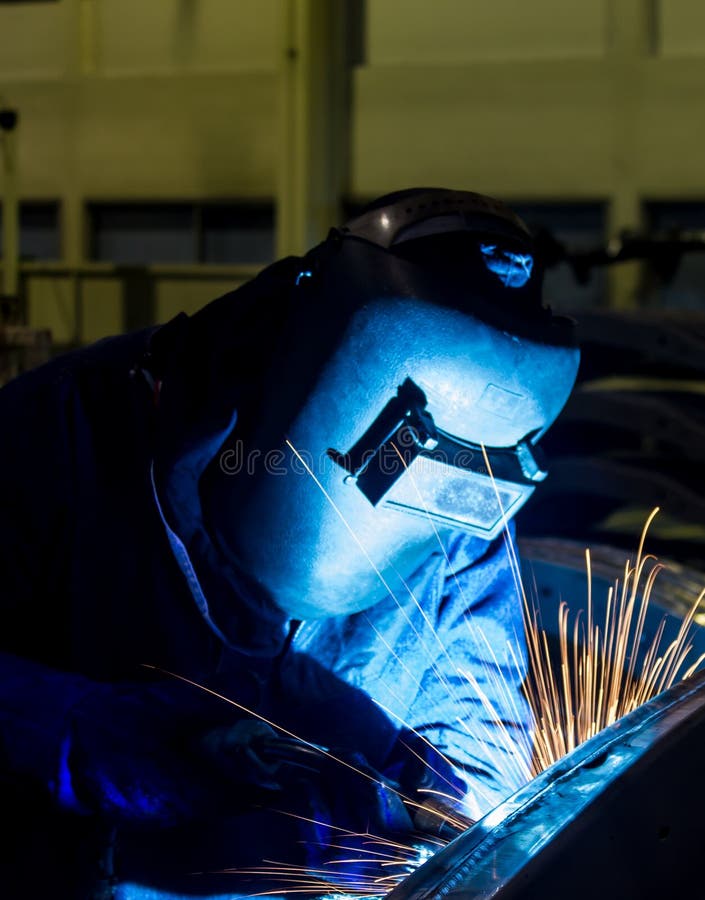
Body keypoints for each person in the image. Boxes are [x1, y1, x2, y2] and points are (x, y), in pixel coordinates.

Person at [0, 188, 579, 898]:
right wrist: (79, 741)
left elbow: (474, 726)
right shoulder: (52, 437)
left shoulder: (461, 495)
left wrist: (440, 818)